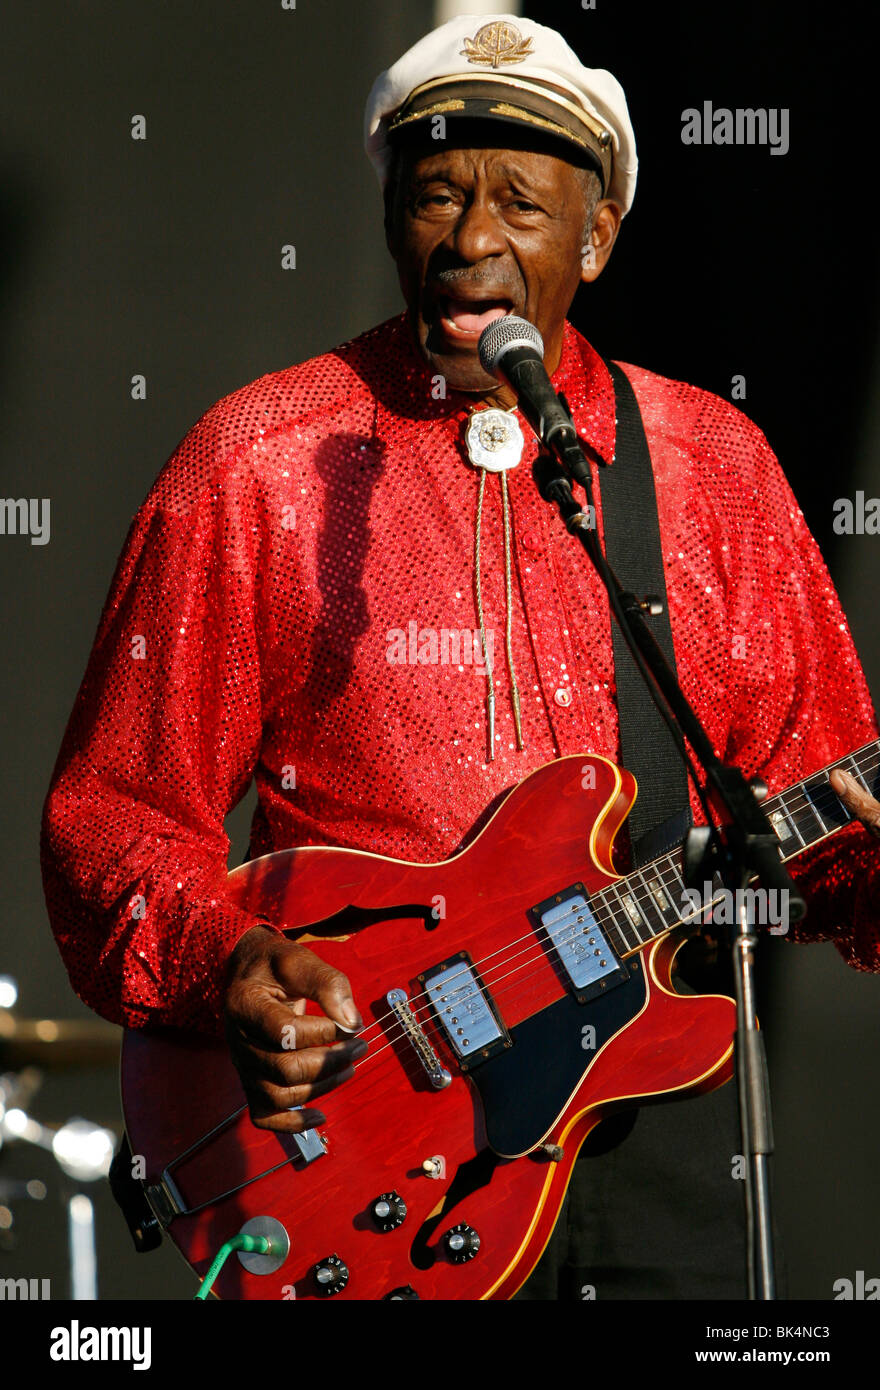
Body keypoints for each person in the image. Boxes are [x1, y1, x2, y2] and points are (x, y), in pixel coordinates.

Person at [41, 14, 880, 1299]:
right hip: (363, 1151)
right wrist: (229, 964)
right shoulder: (259, 459)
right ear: (391, 213)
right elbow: (113, 820)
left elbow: (827, 836)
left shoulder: (712, 468)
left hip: (664, 1138)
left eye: (522, 207)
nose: (472, 240)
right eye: (436, 194)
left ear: (595, 240)